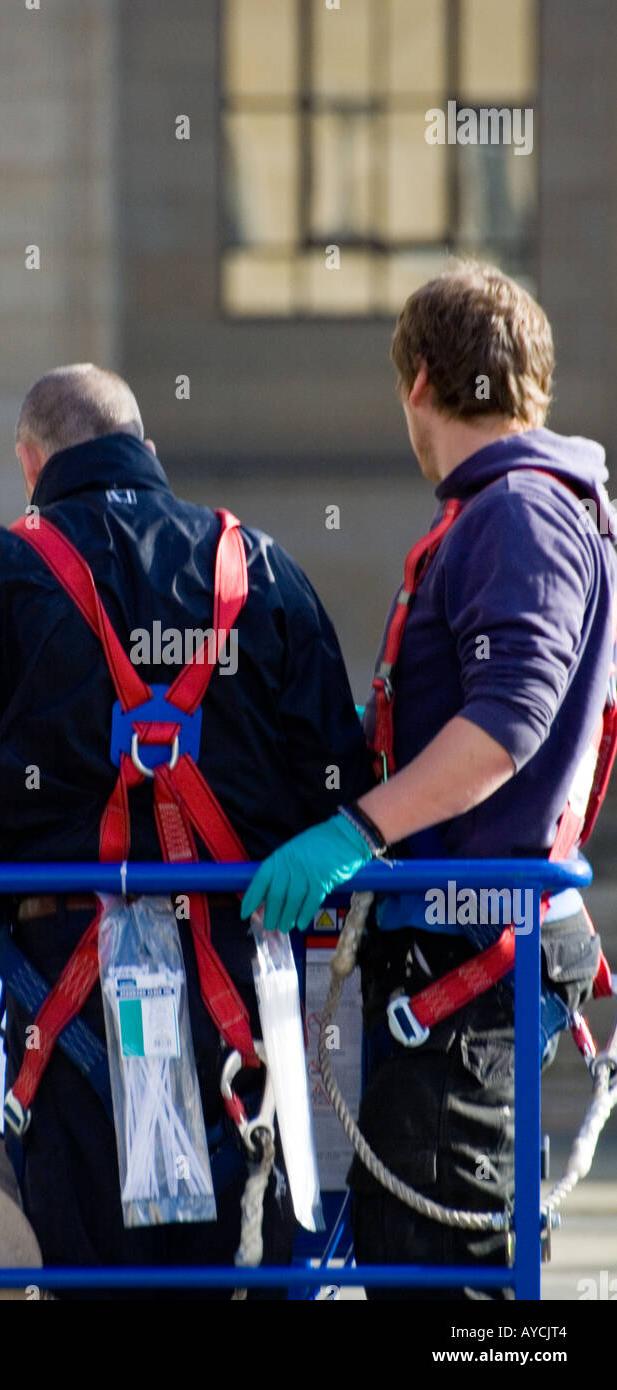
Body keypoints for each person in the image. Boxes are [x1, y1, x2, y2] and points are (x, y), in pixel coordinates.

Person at [0, 363, 372, 1297]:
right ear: (148, 447)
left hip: (62, 987)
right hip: (243, 973)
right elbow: (335, 780)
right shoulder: (259, 570)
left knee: (87, 1268)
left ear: (30, 463)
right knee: (243, 1255)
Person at [242, 261, 617, 1299]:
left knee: (442, 1285)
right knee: (430, 1264)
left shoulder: (513, 514)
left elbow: (503, 727)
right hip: (462, 958)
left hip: (459, 960)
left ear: (415, 384)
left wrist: (351, 832)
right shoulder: (534, 507)